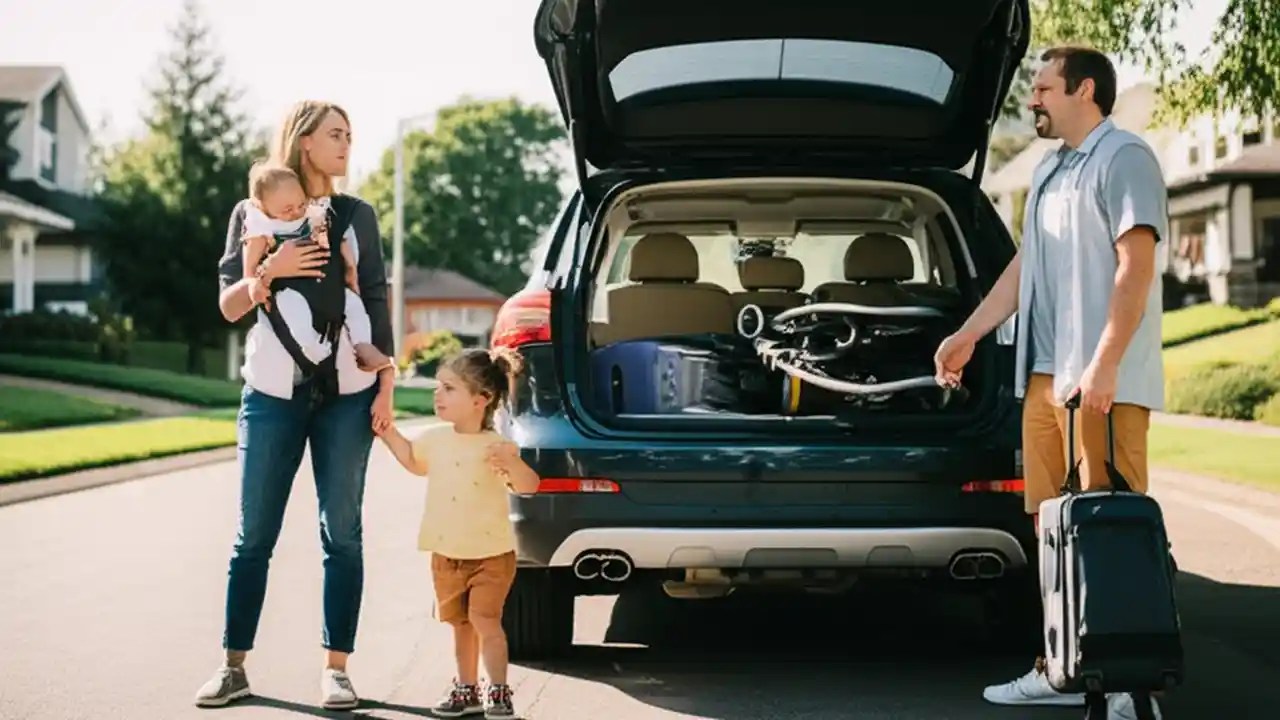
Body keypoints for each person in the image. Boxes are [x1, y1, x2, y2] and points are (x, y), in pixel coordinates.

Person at [933, 46, 1167, 719]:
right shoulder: (1052, 171)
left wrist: (1104, 363)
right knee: (1051, 528)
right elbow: (1021, 273)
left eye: (1042, 88)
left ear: (1083, 90)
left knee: (1110, 521)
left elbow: (1135, 265)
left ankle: (1128, 682)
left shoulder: (1124, 158)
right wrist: (969, 334)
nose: (1032, 99)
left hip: (1101, 381)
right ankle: (1061, 665)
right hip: (1045, 379)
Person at [195, 101, 396, 710]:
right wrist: (269, 272)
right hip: (271, 396)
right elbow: (231, 306)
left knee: (344, 534)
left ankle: (336, 670)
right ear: (304, 142)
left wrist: (387, 381)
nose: (346, 144)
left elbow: (377, 299)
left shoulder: (356, 215)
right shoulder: (250, 213)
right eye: (336, 134)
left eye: (350, 134)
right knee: (253, 534)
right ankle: (234, 666)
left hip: (346, 396)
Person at [376, 347, 540, 719]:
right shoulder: (436, 438)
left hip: (491, 556)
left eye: (448, 388)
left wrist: (513, 463)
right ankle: (467, 691)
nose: (437, 394)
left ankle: (498, 690)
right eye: (438, 386)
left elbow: (529, 486)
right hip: (447, 555)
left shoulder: (497, 447)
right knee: (460, 625)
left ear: (480, 400)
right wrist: (389, 434)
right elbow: (413, 462)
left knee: (485, 621)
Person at [240, 161, 389, 370]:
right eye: (287, 209)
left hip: (325, 282)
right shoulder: (263, 227)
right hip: (291, 287)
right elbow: (250, 267)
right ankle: (312, 347)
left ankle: (363, 344)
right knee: (294, 313)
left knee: (353, 304)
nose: (296, 213)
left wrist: (349, 267)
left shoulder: (311, 214)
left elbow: (339, 241)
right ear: (264, 208)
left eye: (300, 204)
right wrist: (255, 283)